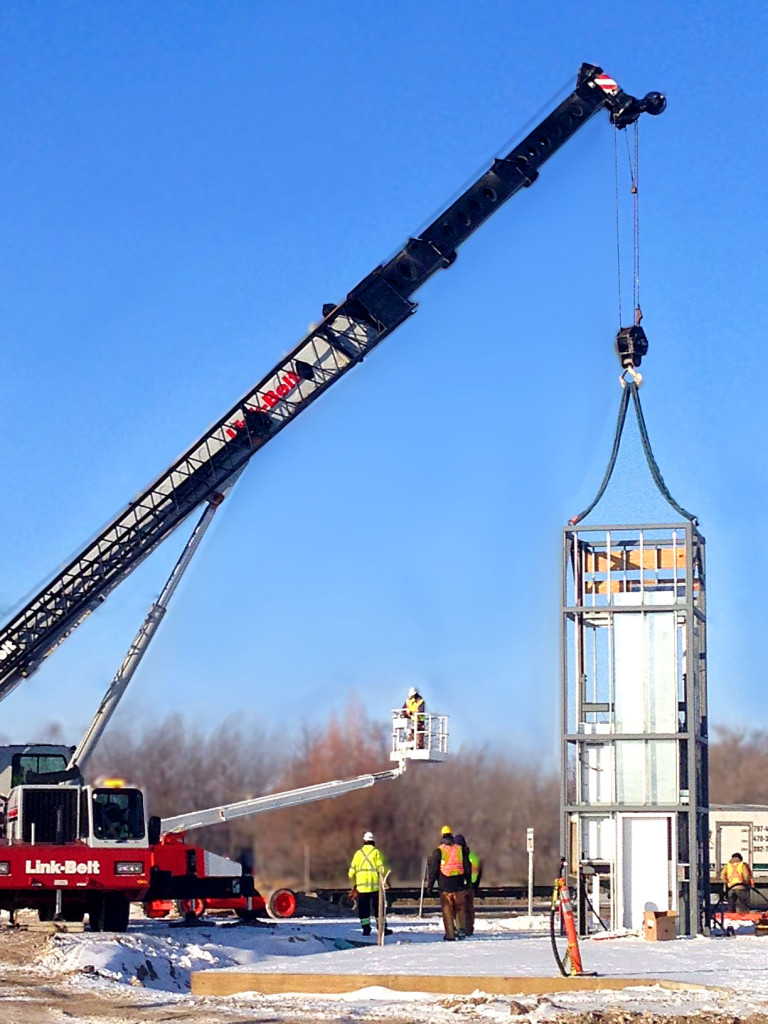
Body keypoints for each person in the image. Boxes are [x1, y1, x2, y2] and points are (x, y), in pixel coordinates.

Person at [426, 825, 471, 941]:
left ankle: (450, 934)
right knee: (460, 908)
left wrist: (430, 886)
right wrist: (469, 882)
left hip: (445, 885)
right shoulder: (460, 849)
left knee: (447, 911)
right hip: (460, 884)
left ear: (442, 836)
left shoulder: (439, 851)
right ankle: (461, 930)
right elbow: (467, 866)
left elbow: (434, 870)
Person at [348, 831, 391, 937]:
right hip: (375, 887)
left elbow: (351, 873)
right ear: (373, 841)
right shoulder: (376, 853)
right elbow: (381, 869)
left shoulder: (358, 854)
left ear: (364, 841)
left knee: (363, 909)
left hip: (362, 887)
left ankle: (366, 929)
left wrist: (355, 883)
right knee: (378, 908)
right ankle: (381, 928)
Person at [454, 834, 481, 936]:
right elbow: (478, 871)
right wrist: (475, 885)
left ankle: (460, 928)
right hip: (471, 886)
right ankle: (469, 929)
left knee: (459, 909)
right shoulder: (473, 856)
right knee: (469, 910)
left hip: (460, 886)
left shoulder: (457, 856)